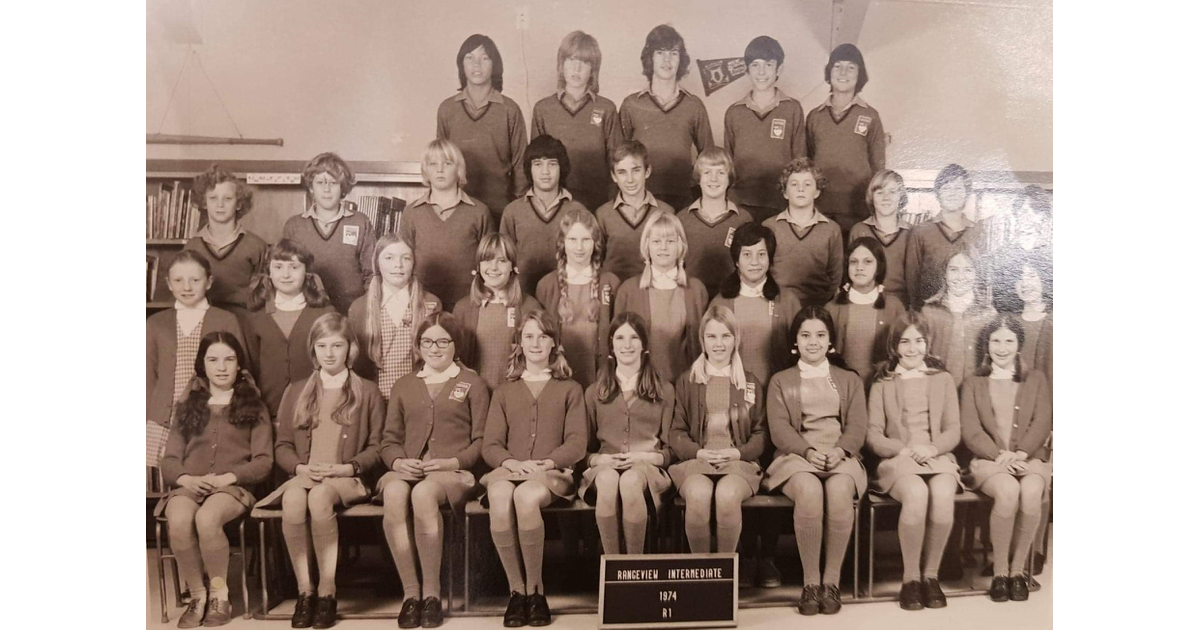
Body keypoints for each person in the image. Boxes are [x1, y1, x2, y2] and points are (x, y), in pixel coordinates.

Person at [257, 313, 385, 629]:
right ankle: (305, 591)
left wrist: (346, 468)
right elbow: (283, 445)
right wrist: (300, 466)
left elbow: (377, 447)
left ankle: (327, 591)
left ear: (350, 349)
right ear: (313, 349)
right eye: (322, 345)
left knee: (319, 497)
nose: (329, 353)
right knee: (293, 499)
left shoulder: (367, 391)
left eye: (337, 345)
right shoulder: (297, 390)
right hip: (307, 476)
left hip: (347, 479)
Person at [379, 313, 489, 628]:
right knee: (394, 492)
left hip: (453, 474)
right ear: (418, 345)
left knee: (424, 493)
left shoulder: (472, 383)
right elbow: (389, 441)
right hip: (409, 470)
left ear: (456, 345)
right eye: (427, 341)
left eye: (442, 341)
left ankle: (431, 595)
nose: (434, 348)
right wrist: (398, 462)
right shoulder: (405, 385)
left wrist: (453, 462)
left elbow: (482, 441)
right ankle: (410, 594)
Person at [157, 332, 272, 628]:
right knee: (178, 518)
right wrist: (185, 479)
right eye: (213, 360)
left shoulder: (254, 406)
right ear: (203, 365)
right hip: (190, 486)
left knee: (207, 518)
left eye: (229, 359)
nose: (221, 367)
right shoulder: (187, 406)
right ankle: (198, 595)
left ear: (239, 365)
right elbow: (169, 460)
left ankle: (220, 593)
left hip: (232, 488)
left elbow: (264, 462)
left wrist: (228, 478)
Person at [481, 311, 587, 627]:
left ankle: (536, 591)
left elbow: (577, 442)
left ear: (554, 343)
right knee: (499, 495)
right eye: (529, 336)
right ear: (520, 343)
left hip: (551, 474)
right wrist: (512, 463)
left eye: (543, 336)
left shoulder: (570, 388)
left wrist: (549, 462)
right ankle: (517, 592)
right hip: (511, 470)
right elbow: (491, 445)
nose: (536, 343)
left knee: (526, 497)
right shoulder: (504, 390)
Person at [763, 307, 868, 615]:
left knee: (839, 491)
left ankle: (830, 583)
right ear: (795, 341)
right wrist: (808, 452)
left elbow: (857, 426)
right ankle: (810, 584)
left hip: (840, 455)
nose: (813, 342)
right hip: (796, 457)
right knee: (809, 491)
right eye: (805, 335)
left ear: (830, 340)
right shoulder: (780, 380)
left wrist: (840, 451)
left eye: (820, 335)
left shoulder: (849, 379)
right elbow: (779, 429)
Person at [866, 313, 962, 611]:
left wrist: (932, 448)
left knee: (943, 495)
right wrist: (903, 449)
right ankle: (910, 579)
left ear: (927, 343)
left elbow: (953, 430)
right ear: (894, 346)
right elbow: (873, 435)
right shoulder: (882, 383)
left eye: (919, 341)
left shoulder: (942, 379)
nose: (912, 348)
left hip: (936, 456)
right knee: (917, 494)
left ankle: (930, 576)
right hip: (900, 459)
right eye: (905, 342)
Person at [960, 315, 1051, 603]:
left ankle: (1018, 571)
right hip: (989, 460)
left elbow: (1042, 420)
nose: (1002, 348)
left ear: (1019, 344)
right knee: (1009, 490)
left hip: (1028, 457)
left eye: (1009, 341)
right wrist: (1001, 455)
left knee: (1032, 490)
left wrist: (1021, 452)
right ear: (986, 345)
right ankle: (1000, 572)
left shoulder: (1036, 378)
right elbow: (970, 430)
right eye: (995, 341)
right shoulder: (973, 382)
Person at [669, 305, 767, 555]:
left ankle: (725, 569)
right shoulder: (686, 381)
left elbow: (761, 435)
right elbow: (676, 433)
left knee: (727, 495)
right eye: (711, 336)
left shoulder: (750, 382)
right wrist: (699, 452)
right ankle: (702, 570)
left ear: (736, 339)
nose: (719, 343)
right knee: (698, 495)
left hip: (738, 463)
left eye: (726, 336)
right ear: (702, 340)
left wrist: (737, 453)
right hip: (697, 461)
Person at [579, 313, 675, 555]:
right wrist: (598, 460)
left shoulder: (664, 391)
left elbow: (672, 449)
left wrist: (647, 457)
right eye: (620, 338)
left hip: (647, 469)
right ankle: (613, 564)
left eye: (634, 338)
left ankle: (634, 565)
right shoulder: (594, 392)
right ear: (611, 345)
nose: (627, 345)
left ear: (644, 345)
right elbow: (582, 449)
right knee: (608, 480)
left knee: (630, 481)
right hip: (605, 468)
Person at [148, 251, 245, 464]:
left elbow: (241, 372)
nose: (187, 287)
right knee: (164, 473)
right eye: (178, 280)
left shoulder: (226, 320)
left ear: (208, 282)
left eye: (195, 280)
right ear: (168, 283)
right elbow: (146, 377)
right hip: (163, 419)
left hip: (211, 416)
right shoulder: (155, 324)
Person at [619, 24, 714, 211]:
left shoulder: (694, 105)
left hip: (682, 199)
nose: (667, 59)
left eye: (674, 53)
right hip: (640, 199)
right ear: (650, 58)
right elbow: (617, 158)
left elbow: (709, 157)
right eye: (660, 52)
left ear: (681, 60)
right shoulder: (631, 105)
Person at [436, 34, 528, 220]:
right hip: (456, 211)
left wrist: (515, 211)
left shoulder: (510, 110)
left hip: (500, 211)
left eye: (484, 58)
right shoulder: (447, 109)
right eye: (469, 57)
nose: (476, 64)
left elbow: (521, 165)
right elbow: (440, 161)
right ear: (461, 65)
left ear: (495, 65)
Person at [613, 210, 708, 385]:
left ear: (680, 246)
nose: (663, 247)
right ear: (647, 246)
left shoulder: (696, 290)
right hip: (640, 386)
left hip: (685, 385)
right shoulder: (628, 290)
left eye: (670, 241)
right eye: (656, 241)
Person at [531, 31, 623, 212]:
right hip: (554, 203)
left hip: (597, 202)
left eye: (584, 62)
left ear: (593, 70)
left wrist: (611, 206)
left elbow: (616, 160)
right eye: (571, 60)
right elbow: (534, 163)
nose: (576, 68)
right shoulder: (543, 109)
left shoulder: (606, 108)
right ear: (561, 64)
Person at [244, 239, 335, 418]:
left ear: (307, 272)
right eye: (278, 267)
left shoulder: (325, 313)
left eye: (294, 267)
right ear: (269, 272)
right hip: (267, 409)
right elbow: (250, 366)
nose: (286, 274)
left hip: (314, 407)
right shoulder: (256, 316)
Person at [401, 139, 495, 309]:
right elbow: (404, 260)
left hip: (469, 303)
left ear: (459, 170)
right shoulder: (411, 213)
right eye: (433, 164)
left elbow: (490, 261)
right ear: (425, 171)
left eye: (447, 163)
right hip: (423, 302)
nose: (440, 169)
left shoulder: (479, 212)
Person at [347, 235, 442, 401]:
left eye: (406, 258)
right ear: (376, 262)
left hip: (417, 399)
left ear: (414, 263)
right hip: (374, 400)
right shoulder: (359, 308)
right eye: (389, 258)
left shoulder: (430, 304)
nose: (398, 265)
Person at [536, 208, 621, 390]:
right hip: (560, 378)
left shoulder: (610, 282)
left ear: (595, 243)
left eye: (586, 240)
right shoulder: (547, 285)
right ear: (562, 243)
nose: (579, 247)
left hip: (600, 376)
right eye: (572, 240)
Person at [805, 43, 886, 236]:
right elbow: (807, 162)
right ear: (829, 72)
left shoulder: (871, 116)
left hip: (857, 210)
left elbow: (878, 167)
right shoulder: (815, 116)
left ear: (860, 74)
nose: (843, 72)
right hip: (820, 209)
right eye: (837, 66)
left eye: (851, 67)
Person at [723, 36, 806, 223]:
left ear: (779, 69)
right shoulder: (734, 112)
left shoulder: (792, 109)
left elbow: (800, 161)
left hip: (780, 203)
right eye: (755, 65)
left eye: (768, 65)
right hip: (741, 202)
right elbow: (727, 165)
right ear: (747, 70)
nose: (761, 72)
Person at [708, 223, 803, 385]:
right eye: (747, 254)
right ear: (736, 260)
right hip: (732, 387)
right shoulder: (720, 303)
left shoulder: (788, 301)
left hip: (776, 388)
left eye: (761, 254)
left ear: (770, 259)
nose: (755, 262)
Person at [282, 153, 376, 314]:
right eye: (320, 183)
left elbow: (372, 273)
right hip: (308, 310)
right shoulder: (294, 226)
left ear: (343, 187)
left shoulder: (360, 222)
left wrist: (365, 310)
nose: (326, 190)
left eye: (333, 183)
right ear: (311, 187)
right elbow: (287, 274)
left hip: (353, 311)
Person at [499, 134, 590, 296]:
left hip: (567, 296)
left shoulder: (578, 211)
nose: (545, 171)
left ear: (562, 168)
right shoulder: (512, 211)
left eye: (552, 164)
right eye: (538, 164)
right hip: (522, 296)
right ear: (529, 169)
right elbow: (503, 260)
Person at [453, 233, 544, 390]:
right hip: (475, 394)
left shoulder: (529, 307)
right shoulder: (462, 309)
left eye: (501, 261)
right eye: (487, 260)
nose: (493, 267)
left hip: (515, 394)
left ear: (512, 266)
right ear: (478, 266)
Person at [184, 165, 268, 316]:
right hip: (204, 319)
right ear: (204, 203)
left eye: (228, 199)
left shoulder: (256, 246)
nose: (220, 205)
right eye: (213, 198)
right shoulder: (192, 247)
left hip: (245, 320)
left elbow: (264, 295)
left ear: (239, 204)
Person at [825, 236, 906, 389]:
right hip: (844, 389)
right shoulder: (832, 308)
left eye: (867, 262)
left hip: (883, 389)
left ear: (879, 267)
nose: (859, 267)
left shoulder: (894, 307)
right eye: (853, 262)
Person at [677, 147, 755, 299]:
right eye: (707, 172)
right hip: (690, 297)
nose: (714, 179)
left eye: (720, 173)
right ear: (698, 178)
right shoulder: (681, 219)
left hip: (732, 298)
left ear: (729, 178)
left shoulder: (743, 219)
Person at [764, 159, 844, 307]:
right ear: (785, 192)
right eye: (794, 184)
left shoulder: (832, 229)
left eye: (807, 184)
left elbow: (835, 276)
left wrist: (819, 305)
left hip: (817, 306)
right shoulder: (769, 226)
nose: (800, 189)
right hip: (778, 304)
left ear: (817, 192)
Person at [904, 164, 980, 310]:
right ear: (938, 194)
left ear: (967, 193)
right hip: (929, 314)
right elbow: (911, 280)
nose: (952, 193)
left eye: (958, 188)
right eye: (946, 188)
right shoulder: (920, 232)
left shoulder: (977, 231)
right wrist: (917, 313)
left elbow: (981, 279)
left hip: (969, 312)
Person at [595, 140, 671, 281]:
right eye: (622, 172)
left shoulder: (666, 212)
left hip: (653, 287)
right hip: (614, 288)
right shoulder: (602, 214)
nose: (630, 179)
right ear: (614, 176)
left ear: (647, 171)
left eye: (636, 170)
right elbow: (595, 260)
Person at [921, 252, 996, 386]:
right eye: (954, 270)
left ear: (976, 274)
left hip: (976, 388)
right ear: (944, 274)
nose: (960, 277)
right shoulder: (930, 311)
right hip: (938, 386)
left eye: (968, 270)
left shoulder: (988, 313)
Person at [848, 170, 912, 307]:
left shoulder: (911, 233)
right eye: (880, 192)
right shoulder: (859, 230)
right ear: (871, 197)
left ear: (901, 197)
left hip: (902, 306)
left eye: (892, 192)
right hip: (866, 302)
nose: (886, 198)